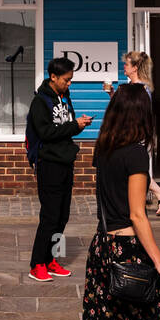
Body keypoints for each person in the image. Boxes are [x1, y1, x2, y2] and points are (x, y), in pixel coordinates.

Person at [80, 83, 160, 320]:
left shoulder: (104, 149)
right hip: (128, 252)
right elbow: (138, 215)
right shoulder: (136, 154)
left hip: (101, 247)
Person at [27, 58, 93, 282]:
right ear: (53, 77)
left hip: (66, 161)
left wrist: (78, 124)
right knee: (50, 216)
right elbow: (46, 133)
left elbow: (67, 127)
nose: (69, 84)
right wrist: (74, 126)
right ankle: (37, 264)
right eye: (66, 80)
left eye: (71, 80)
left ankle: (51, 259)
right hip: (49, 164)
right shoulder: (40, 102)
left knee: (63, 215)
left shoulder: (65, 98)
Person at [105, 51, 160, 215]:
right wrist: (112, 95)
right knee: (131, 168)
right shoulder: (131, 87)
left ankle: (154, 196)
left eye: (126, 64)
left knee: (132, 168)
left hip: (134, 134)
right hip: (127, 134)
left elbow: (136, 114)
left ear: (135, 67)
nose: (124, 67)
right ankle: (159, 194)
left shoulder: (142, 89)